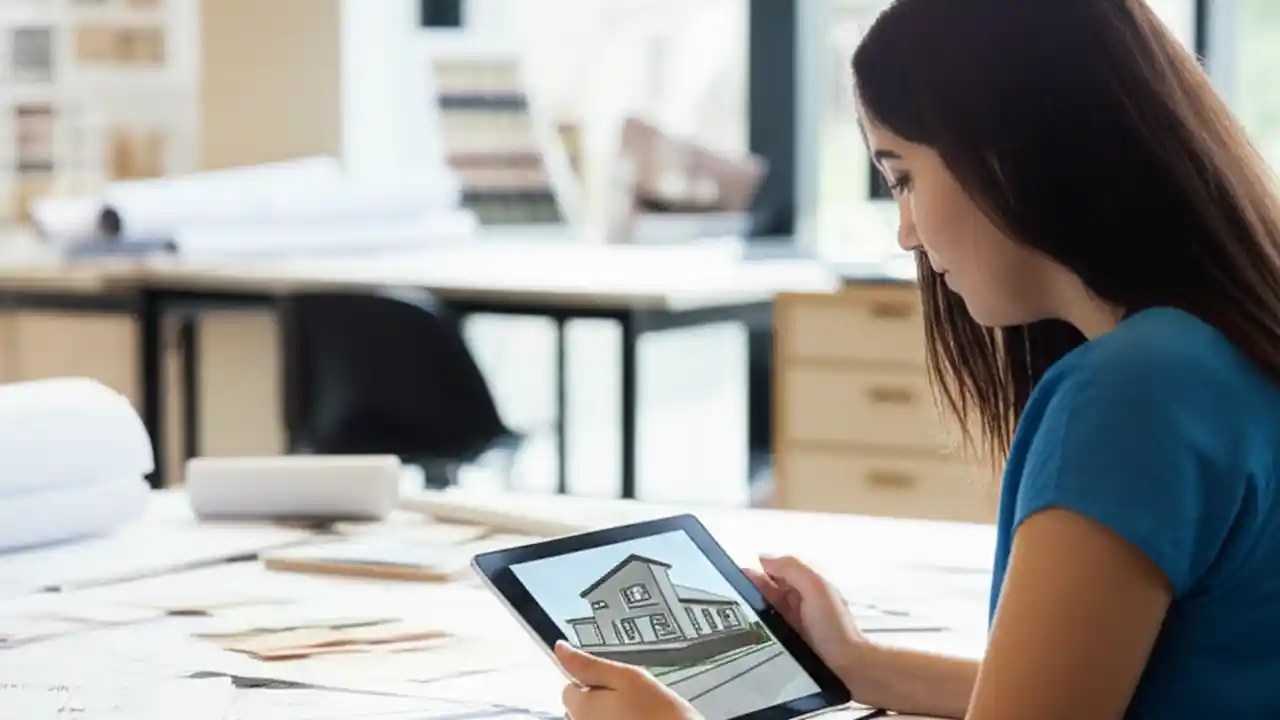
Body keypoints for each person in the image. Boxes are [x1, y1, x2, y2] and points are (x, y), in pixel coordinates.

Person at [551, 0, 1280, 717]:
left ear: (1005, 151)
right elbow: (1109, 687)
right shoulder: (1215, 349)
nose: (906, 234)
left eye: (901, 177)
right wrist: (859, 665)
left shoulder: (1129, 396)